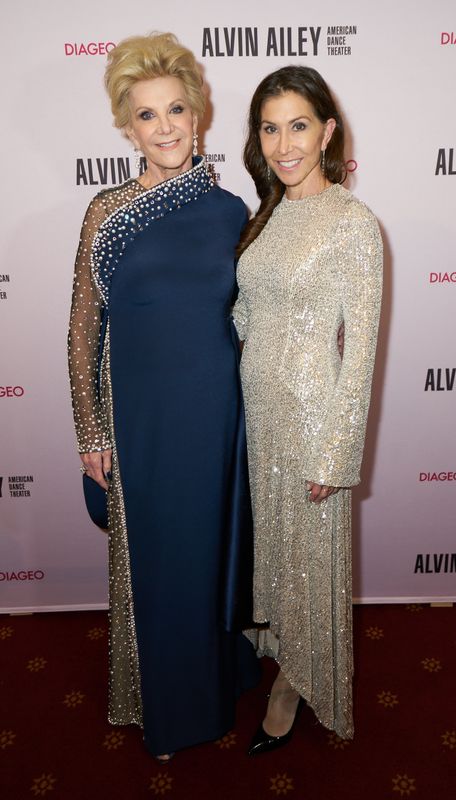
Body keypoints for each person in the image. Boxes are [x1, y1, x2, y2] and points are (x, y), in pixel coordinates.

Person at [68, 32, 259, 761]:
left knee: (206, 561)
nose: (167, 127)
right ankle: (165, 707)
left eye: (177, 108)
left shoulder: (229, 211)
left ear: (199, 113)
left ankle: (214, 681)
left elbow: (254, 317)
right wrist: (90, 431)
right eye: (148, 116)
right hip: (139, 423)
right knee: (158, 564)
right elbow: (83, 326)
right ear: (126, 128)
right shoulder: (106, 213)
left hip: (214, 422)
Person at [233, 65, 383, 754]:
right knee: (270, 551)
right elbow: (243, 316)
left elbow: (360, 356)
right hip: (252, 415)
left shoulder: (353, 225)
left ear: (327, 130)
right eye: (269, 127)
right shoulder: (266, 212)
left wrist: (335, 451)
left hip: (310, 419)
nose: (283, 143)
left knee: (306, 559)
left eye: (297, 125)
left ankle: (294, 683)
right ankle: (275, 647)